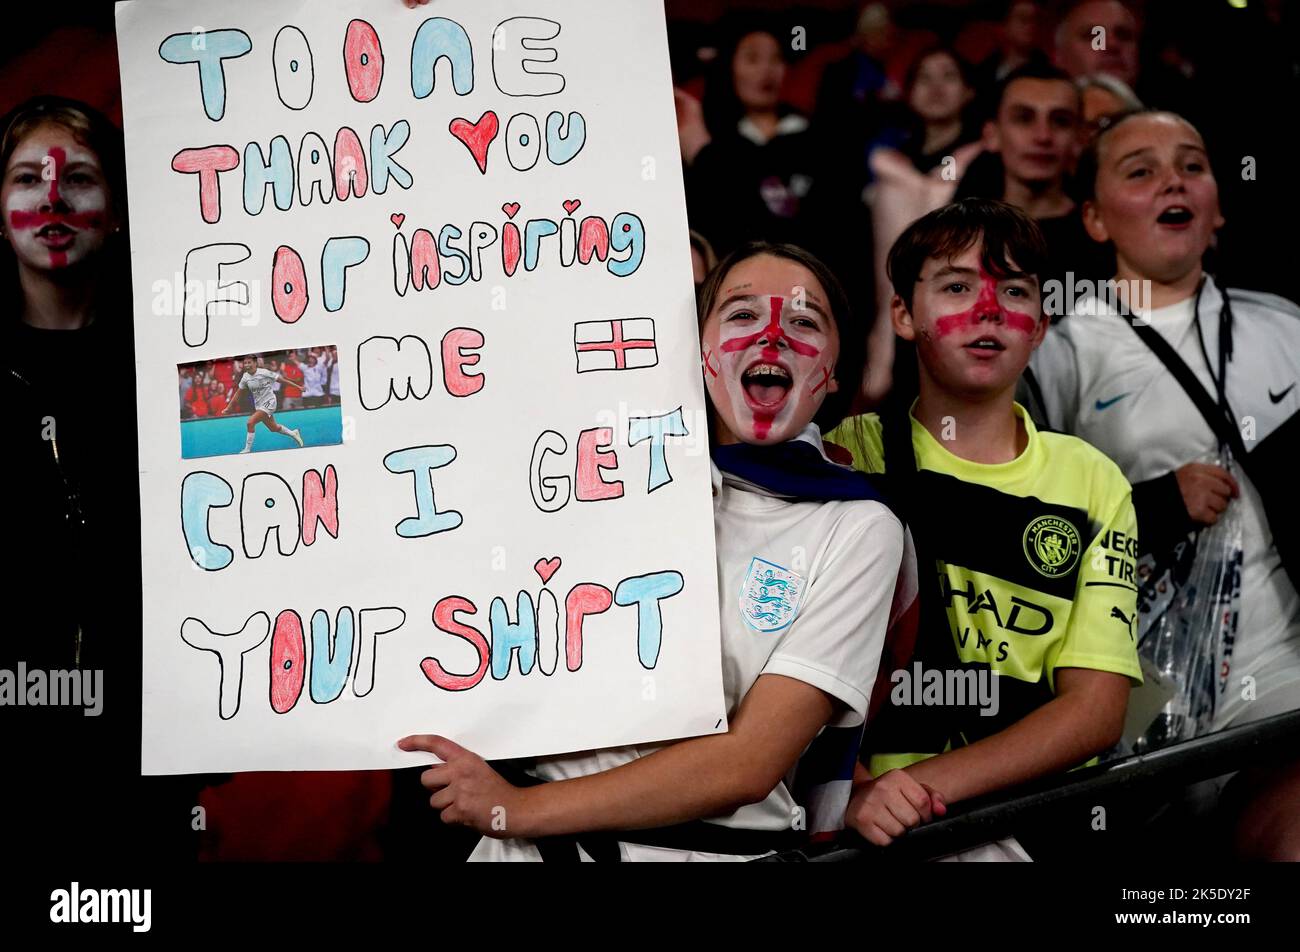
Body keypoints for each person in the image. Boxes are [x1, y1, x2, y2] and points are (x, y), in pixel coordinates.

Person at [399, 242, 907, 861]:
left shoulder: (858, 528)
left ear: (833, 369)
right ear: (697, 349)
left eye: (804, 322)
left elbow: (747, 764)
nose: (771, 336)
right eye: (742, 314)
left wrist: (515, 807)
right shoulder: (586, 474)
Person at [1022, 109, 1300, 860]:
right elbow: (1028, 536)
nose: (1173, 181)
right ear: (1094, 218)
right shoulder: (1058, 353)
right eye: (1140, 171)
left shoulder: (1286, 328)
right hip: (1132, 699)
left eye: (1192, 166)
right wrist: (1153, 503)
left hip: (1279, 676)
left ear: (1218, 207)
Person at [826, 198, 1142, 858]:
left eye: (1015, 291)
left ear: (1041, 326)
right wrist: (850, 792)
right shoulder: (847, 454)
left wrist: (911, 791)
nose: (989, 309)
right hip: (868, 835)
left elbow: (1094, 711)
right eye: (957, 286)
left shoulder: (1094, 480)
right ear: (903, 316)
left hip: (1031, 828)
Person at [1, 94, 195, 861]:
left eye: (78, 179)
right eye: (27, 179)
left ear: (116, 210)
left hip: (145, 750)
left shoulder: (180, 355)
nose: (53, 199)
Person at [958, 63, 1114, 306]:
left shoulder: (1105, 240)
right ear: (992, 135)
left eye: (1060, 121)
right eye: (1024, 118)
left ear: (1080, 138)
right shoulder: (957, 236)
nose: (1043, 136)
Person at [221, 354, 305, 453]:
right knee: (273, 428)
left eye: (249, 362)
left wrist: (298, 387)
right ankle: (293, 433)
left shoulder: (264, 373)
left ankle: (247, 449)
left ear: (255, 363)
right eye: (245, 363)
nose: (247, 365)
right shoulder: (245, 377)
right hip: (259, 405)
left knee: (250, 422)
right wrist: (229, 407)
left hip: (270, 402)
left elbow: (282, 381)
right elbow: (238, 393)